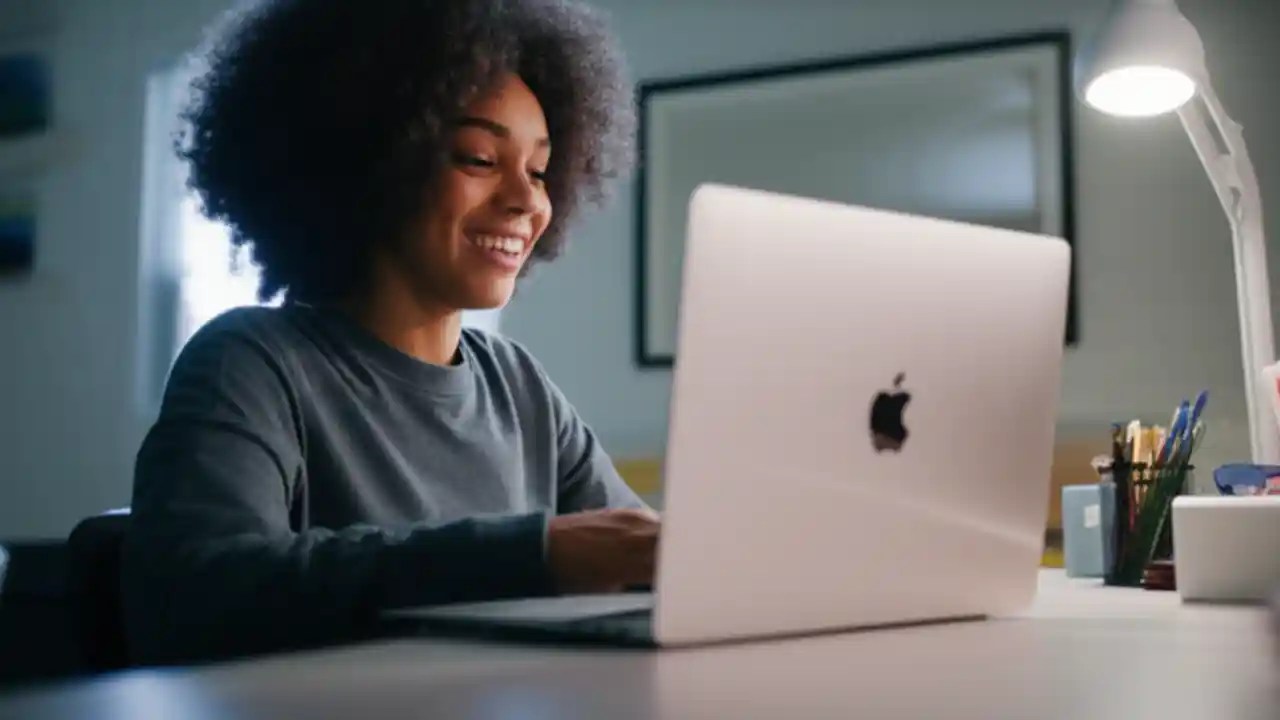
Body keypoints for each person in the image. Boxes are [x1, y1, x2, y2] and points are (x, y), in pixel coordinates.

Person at [121, 0, 659, 666]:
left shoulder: (520, 389)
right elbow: (195, 591)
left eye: (541, 170)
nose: (527, 200)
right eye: (479, 158)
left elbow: (638, 555)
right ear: (371, 162)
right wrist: (534, 555)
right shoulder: (250, 363)